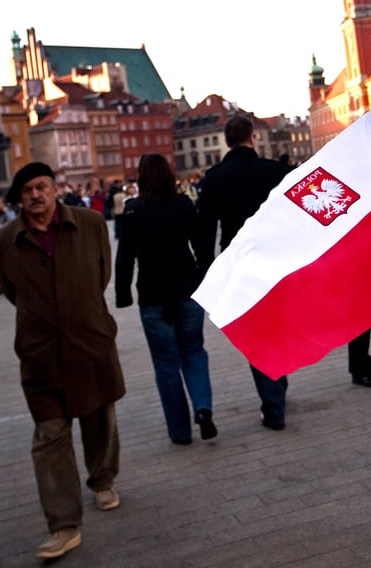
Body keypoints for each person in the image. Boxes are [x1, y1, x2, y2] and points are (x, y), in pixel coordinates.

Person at [0, 162, 125, 561]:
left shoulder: (91, 224)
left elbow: (101, 274)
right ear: (19, 198)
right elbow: (12, 291)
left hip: (89, 341)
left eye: (42, 187)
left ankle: (102, 479)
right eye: (28, 190)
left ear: (54, 188)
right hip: (41, 352)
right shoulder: (3, 243)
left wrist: (78, 310)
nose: (36, 195)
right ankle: (64, 525)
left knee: (100, 418)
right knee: (50, 437)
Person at [115, 153, 218, 445]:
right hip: (186, 291)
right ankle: (203, 407)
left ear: (142, 177)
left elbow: (124, 259)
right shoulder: (183, 206)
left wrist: (123, 294)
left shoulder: (133, 211)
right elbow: (203, 248)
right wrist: (203, 280)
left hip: (153, 297)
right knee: (194, 351)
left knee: (166, 364)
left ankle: (180, 431)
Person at [197, 115, 291, 430]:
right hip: (275, 257)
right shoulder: (274, 171)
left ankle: (274, 401)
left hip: (239, 262)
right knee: (276, 325)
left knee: (257, 331)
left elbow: (205, 230)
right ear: (252, 137)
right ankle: (278, 386)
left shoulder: (214, 179)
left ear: (227, 140)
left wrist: (206, 268)